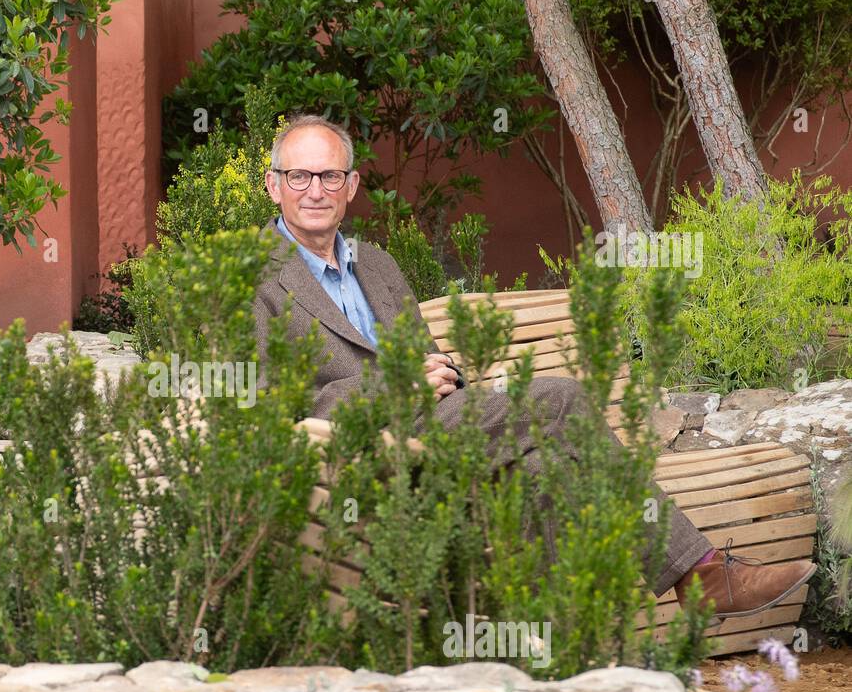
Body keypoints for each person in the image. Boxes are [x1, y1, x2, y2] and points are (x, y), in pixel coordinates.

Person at [250, 114, 815, 619]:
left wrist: (443, 372)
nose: (315, 190)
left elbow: (426, 359)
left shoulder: (375, 264)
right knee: (563, 398)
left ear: (350, 186)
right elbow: (278, 405)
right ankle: (701, 574)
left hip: (437, 424)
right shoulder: (257, 280)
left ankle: (551, 646)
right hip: (364, 444)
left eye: (329, 176)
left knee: (542, 467)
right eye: (299, 176)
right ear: (274, 185)